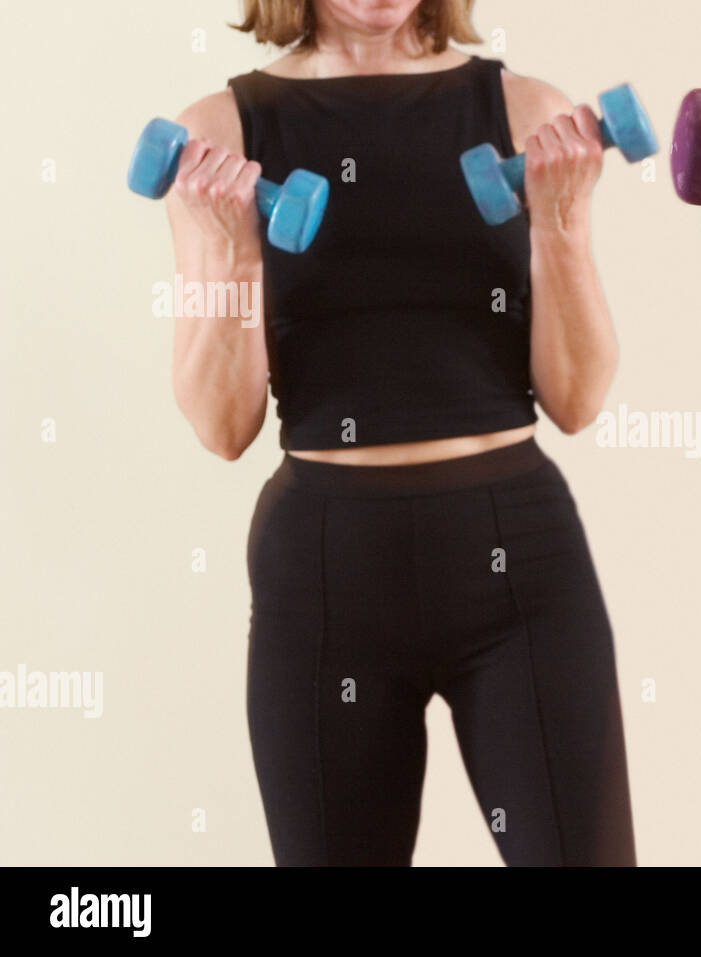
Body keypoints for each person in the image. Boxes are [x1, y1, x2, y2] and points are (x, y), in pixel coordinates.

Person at [164, 0, 635, 865]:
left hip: (517, 561)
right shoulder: (218, 136)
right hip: (326, 573)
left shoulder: (528, 113)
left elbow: (579, 398)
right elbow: (221, 424)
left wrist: (561, 225)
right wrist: (233, 255)